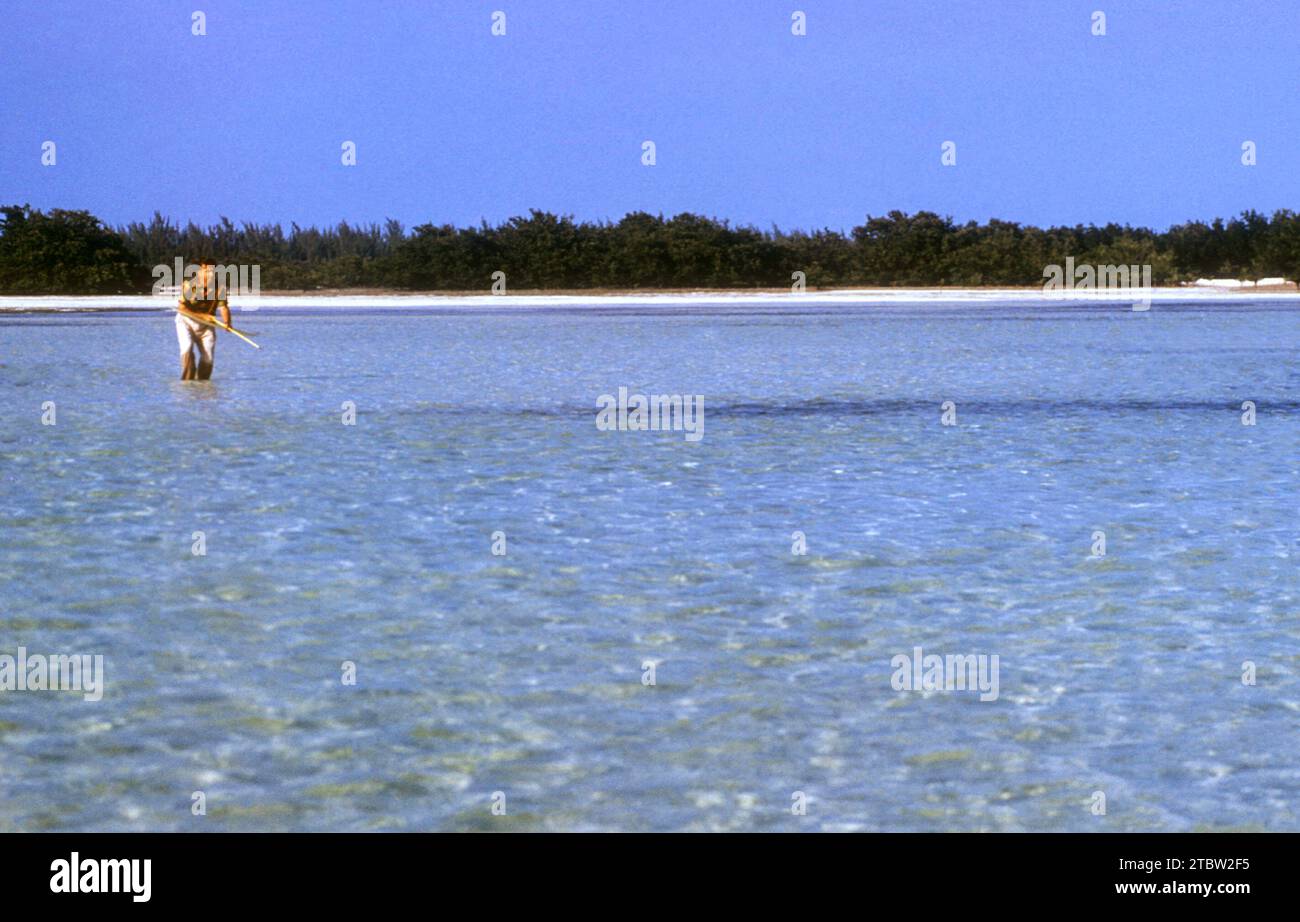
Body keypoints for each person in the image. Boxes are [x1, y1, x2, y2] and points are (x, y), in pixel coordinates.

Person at [176, 261, 230, 380]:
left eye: (211, 271)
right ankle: (187, 383)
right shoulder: (189, 285)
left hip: (206, 325)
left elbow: (224, 307)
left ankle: (203, 384)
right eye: (206, 270)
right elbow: (181, 309)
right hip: (186, 322)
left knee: (208, 357)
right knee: (187, 348)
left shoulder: (219, 288)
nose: (209, 274)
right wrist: (202, 317)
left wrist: (227, 323)